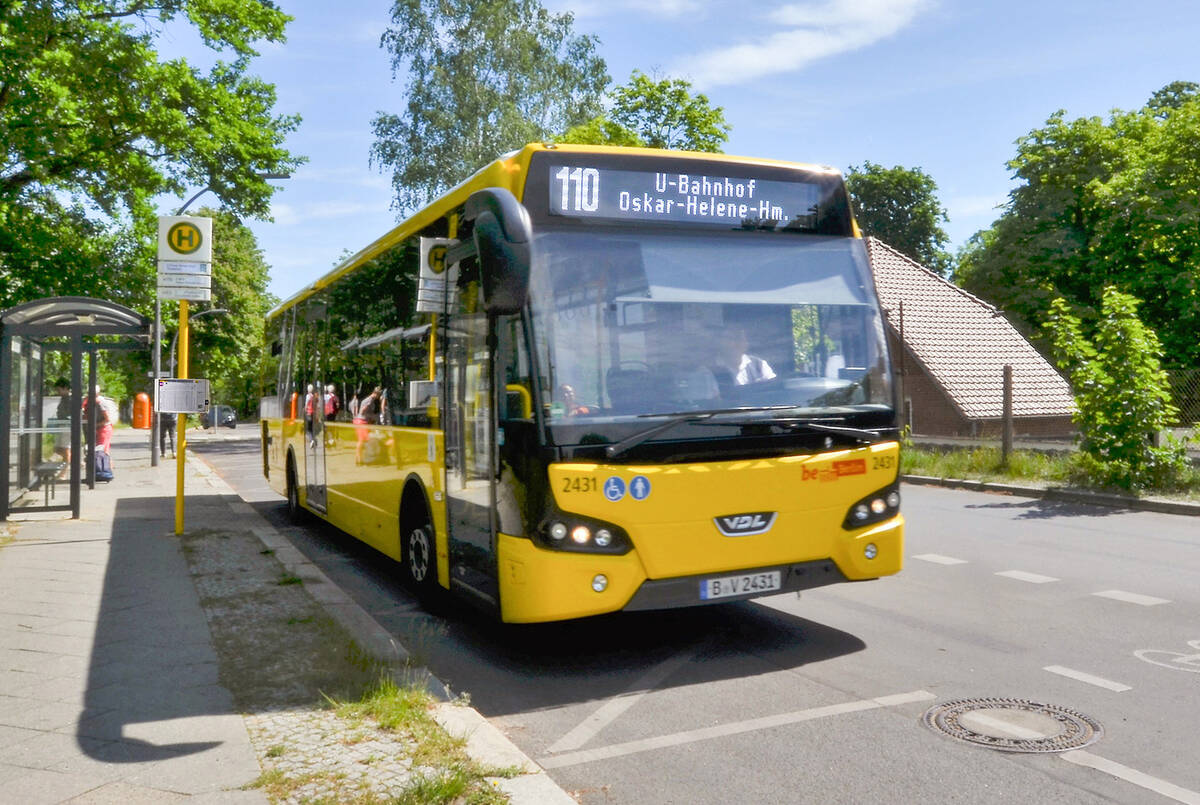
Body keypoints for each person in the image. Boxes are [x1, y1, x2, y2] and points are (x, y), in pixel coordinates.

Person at [354, 386, 382, 464]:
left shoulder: (369, 399)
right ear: (376, 394)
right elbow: (363, 410)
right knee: (361, 440)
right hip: (362, 421)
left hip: (360, 421)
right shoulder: (370, 400)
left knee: (361, 440)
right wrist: (370, 415)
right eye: (379, 395)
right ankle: (358, 458)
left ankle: (358, 458)